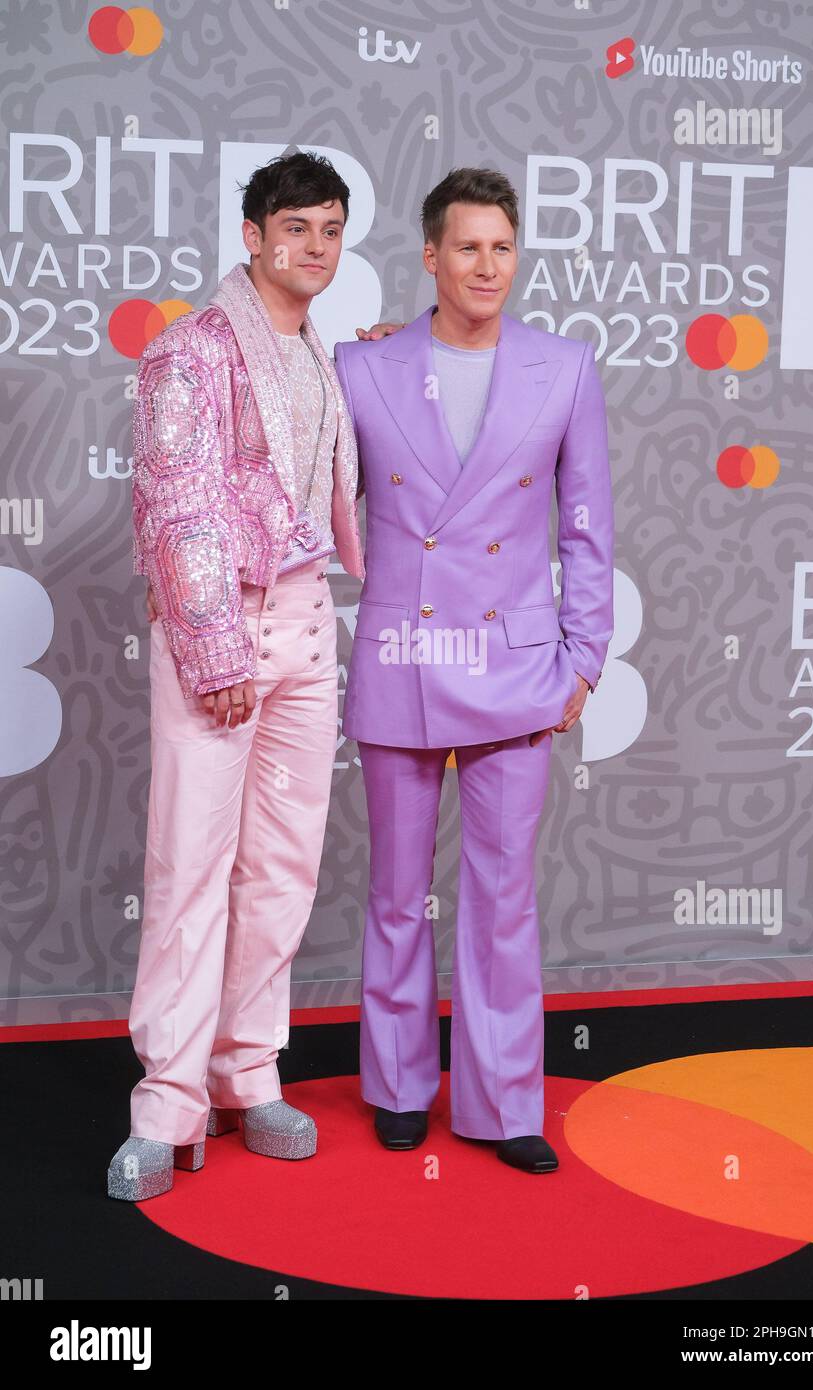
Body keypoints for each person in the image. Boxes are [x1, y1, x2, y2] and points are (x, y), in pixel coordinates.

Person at [334, 166, 614, 1174]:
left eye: (501, 247)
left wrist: (583, 654)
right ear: (429, 257)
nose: (485, 265)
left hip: (514, 663)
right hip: (403, 657)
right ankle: (401, 1083)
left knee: (502, 895)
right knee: (398, 891)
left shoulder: (564, 367)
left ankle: (503, 1100)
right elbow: (313, 493)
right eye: (466, 247)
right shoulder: (360, 369)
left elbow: (585, 524)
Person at [108, 151, 366, 1200]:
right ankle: (163, 1105)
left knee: (282, 869)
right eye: (297, 227)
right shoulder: (191, 351)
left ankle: (245, 1071)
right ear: (253, 233)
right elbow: (182, 504)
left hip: (307, 626)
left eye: (332, 230)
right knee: (188, 870)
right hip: (221, 635)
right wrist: (214, 650)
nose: (315, 247)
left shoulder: (318, 353)